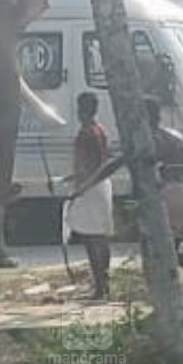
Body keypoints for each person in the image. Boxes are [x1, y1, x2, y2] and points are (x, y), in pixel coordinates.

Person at [63, 92, 116, 301]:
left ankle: (100, 286)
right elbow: (99, 163)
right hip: (101, 185)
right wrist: (70, 178)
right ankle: (103, 283)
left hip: (91, 188)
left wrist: (80, 188)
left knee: (91, 239)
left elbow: (87, 166)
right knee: (101, 237)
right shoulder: (100, 131)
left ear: (83, 109)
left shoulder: (86, 134)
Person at [147, 98, 183, 262]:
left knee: (161, 246)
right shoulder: (176, 137)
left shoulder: (148, 140)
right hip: (181, 190)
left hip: (162, 191)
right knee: (175, 240)